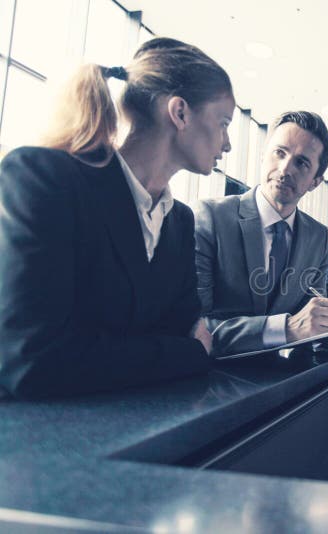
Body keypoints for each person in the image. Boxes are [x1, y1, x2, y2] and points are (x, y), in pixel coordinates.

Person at [0, 37, 228, 398]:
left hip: (136, 422)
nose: (227, 143)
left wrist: (147, 350)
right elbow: (32, 360)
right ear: (180, 113)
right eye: (223, 122)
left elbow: (183, 331)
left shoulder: (179, 221)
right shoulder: (44, 177)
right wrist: (186, 354)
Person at [194, 111, 328, 358]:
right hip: (214, 377)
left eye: (301, 163)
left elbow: (308, 324)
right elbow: (193, 327)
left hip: (286, 378)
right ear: (263, 155)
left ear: (315, 181)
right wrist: (284, 329)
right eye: (279, 153)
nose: (284, 169)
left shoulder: (317, 236)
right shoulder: (211, 217)